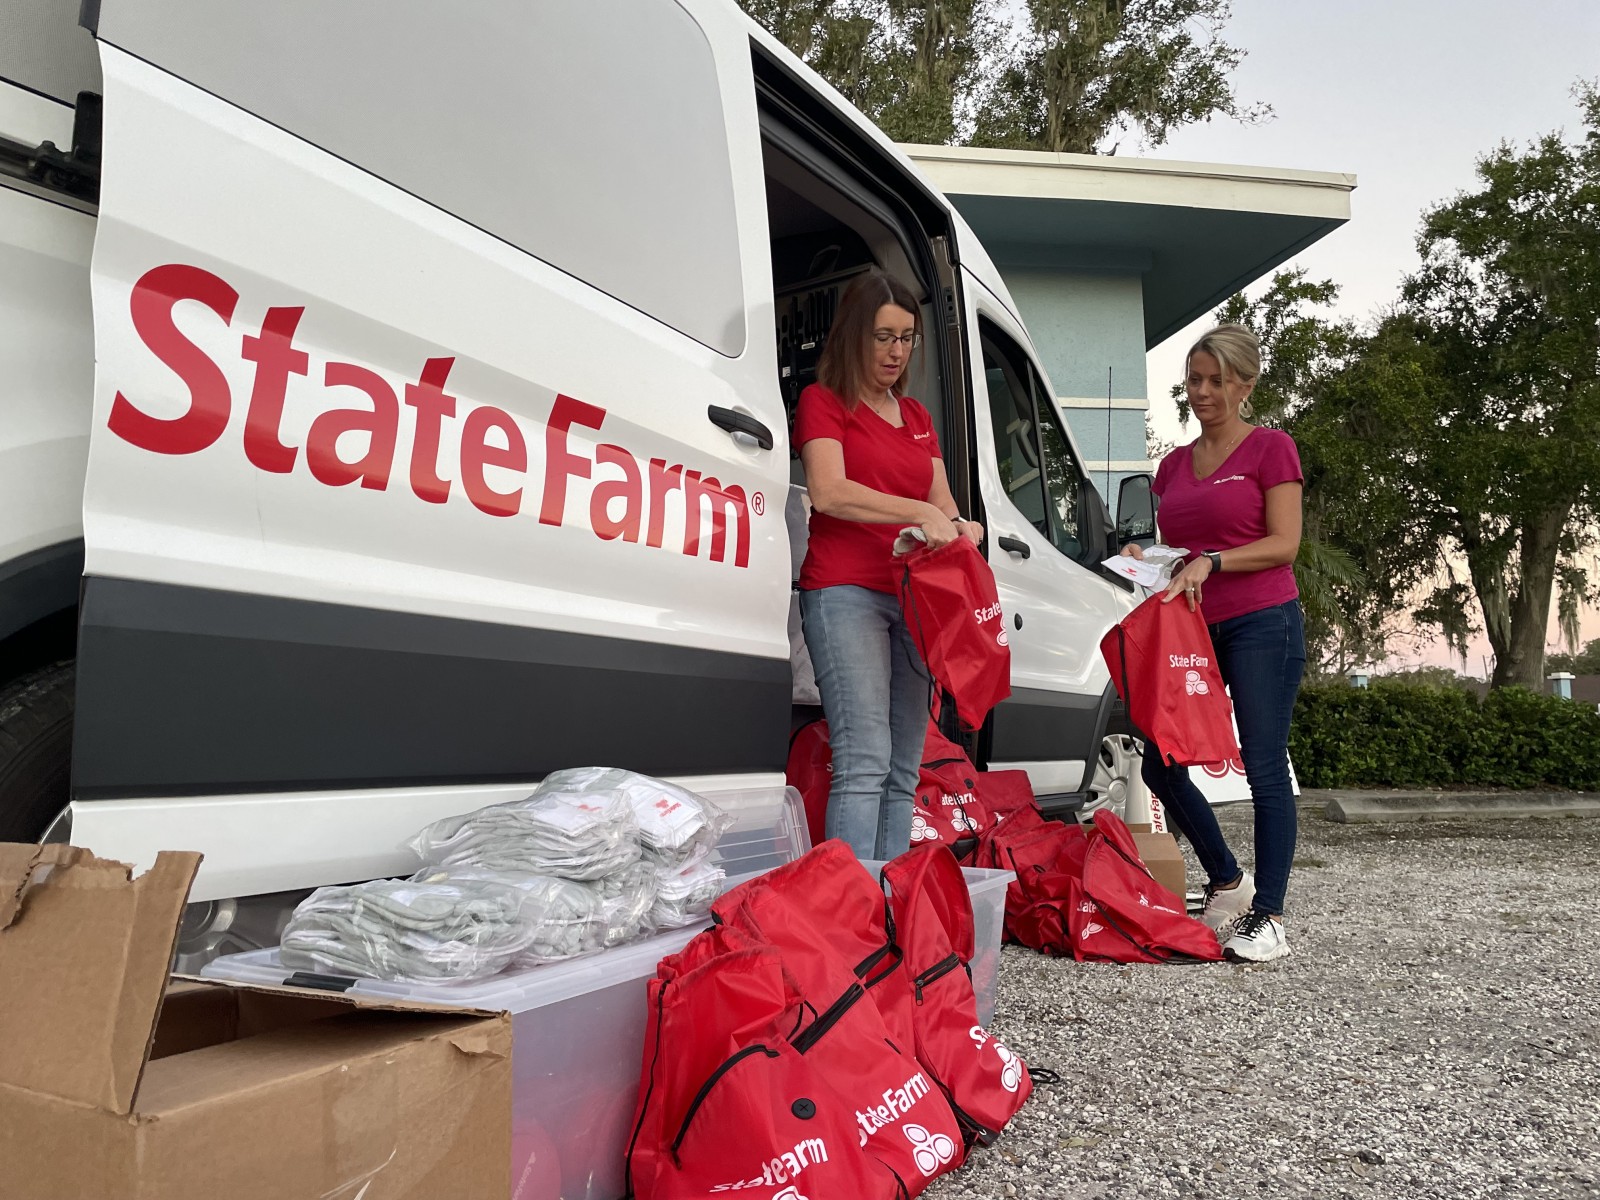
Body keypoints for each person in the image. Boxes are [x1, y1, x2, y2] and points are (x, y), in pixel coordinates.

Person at [1122, 323, 1306, 963]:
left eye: (1216, 381)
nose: (1201, 391)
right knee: (1158, 761)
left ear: (1245, 386)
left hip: (1263, 621)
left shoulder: (1270, 450)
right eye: (1194, 379)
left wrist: (1214, 562)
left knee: (1261, 761)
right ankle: (1227, 879)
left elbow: (1284, 544)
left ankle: (1270, 915)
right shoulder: (1173, 465)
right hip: (1193, 629)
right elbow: (1180, 548)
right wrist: (1148, 557)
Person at [794, 268, 982, 860]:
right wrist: (920, 513)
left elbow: (943, 505)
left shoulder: (919, 419)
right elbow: (829, 492)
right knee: (863, 760)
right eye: (883, 336)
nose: (897, 351)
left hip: (913, 601)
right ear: (855, 335)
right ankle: (852, 916)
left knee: (904, 768)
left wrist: (963, 528)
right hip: (845, 592)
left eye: (907, 338)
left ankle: (893, 909)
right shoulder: (824, 402)